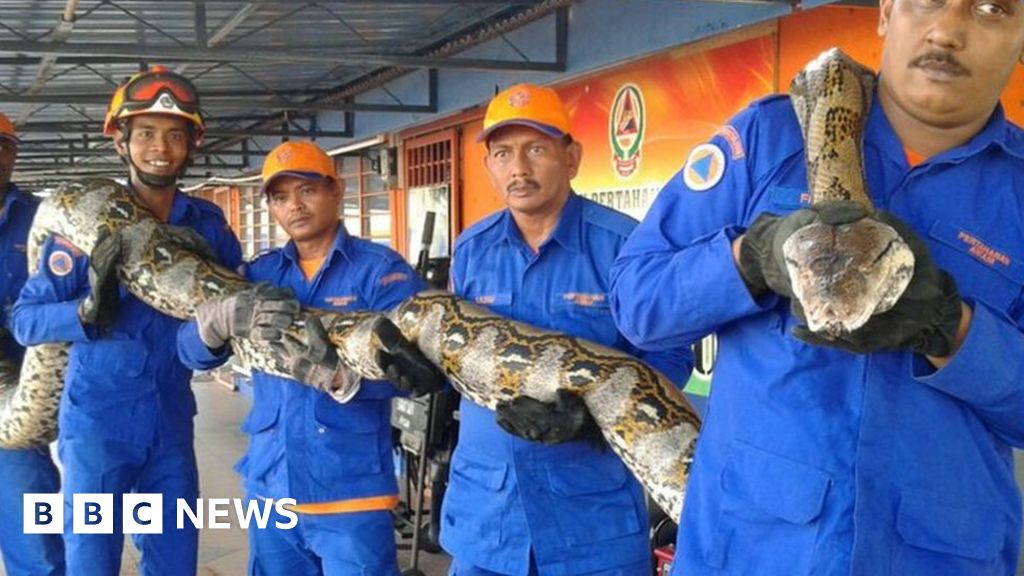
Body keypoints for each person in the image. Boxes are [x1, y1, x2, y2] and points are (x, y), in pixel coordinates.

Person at [609, 1, 1024, 574]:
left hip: (939, 556)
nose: (947, 30)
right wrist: (747, 260)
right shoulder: (767, 138)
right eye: (927, 0)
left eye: (990, 8)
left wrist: (953, 331)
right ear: (885, 12)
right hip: (749, 549)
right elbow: (637, 301)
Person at [436, 83, 694, 576]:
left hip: (589, 518)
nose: (519, 169)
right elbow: (455, 353)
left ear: (571, 157)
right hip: (487, 517)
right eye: (503, 153)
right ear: (489, 164)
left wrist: (591, 417)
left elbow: (670, 359)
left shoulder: (625, 246)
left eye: (536, 149)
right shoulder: (471, 249)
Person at [11, 67, 244, 576]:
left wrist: (211, 337)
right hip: (97, 426)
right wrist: (84, 313)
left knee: (174, 562)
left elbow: (225, 323)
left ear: (192, 144)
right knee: (92, 563)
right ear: (120, 142)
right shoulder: (85, 223)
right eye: (145, 133)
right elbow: (26, 321)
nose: (160, 147)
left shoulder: (206, 225)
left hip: (171, 424)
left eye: (175, 135)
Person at [176, 139, 442, 576]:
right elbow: (190, 354)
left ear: (336, 191)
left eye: (307, 190)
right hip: (270, 484)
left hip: (350, 487)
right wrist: (213, 325)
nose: (294, 206)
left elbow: (423, 371)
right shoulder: (259, 274)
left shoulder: (380, 271)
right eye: (280, 197)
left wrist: (348, 381)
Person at [0, 113, 65, 576]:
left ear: (14, 154)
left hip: (15, 397)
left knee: (35, 546)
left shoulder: (43, 218)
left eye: (1, 145)